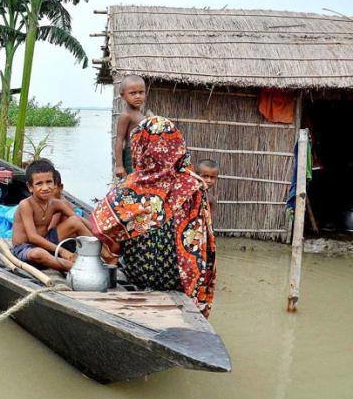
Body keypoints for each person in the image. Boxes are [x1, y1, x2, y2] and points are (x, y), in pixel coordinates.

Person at [88, 117, 217, 317]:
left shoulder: (131, 185)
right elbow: (203, 242)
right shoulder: (195, 186)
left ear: (141, 148)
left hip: (139, 273)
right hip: (180, 277)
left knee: (118, 234)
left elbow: (102, 224)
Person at [12, 160, 90, 272]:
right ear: (30, 187)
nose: (45, 187)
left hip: (46, 241)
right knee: (38, 253)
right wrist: (62, 251)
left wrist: (101, 238)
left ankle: (97, 257)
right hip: (26, 248)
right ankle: (80, 269)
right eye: (39, 184)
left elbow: (78, 220)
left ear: (54, 184)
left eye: (49, 182)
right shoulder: (26, 205)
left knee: (75, 221)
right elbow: (32, 237)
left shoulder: (56, 203)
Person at [113, 75, 147, 179]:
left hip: (141, 156)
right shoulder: (126, 115)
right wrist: (119, 166)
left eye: (141, 92)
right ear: (123, 96)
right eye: (133, 93)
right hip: (131, 156)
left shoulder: (140, 114)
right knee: (131, 183)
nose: (137, 96)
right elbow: (119, 140)